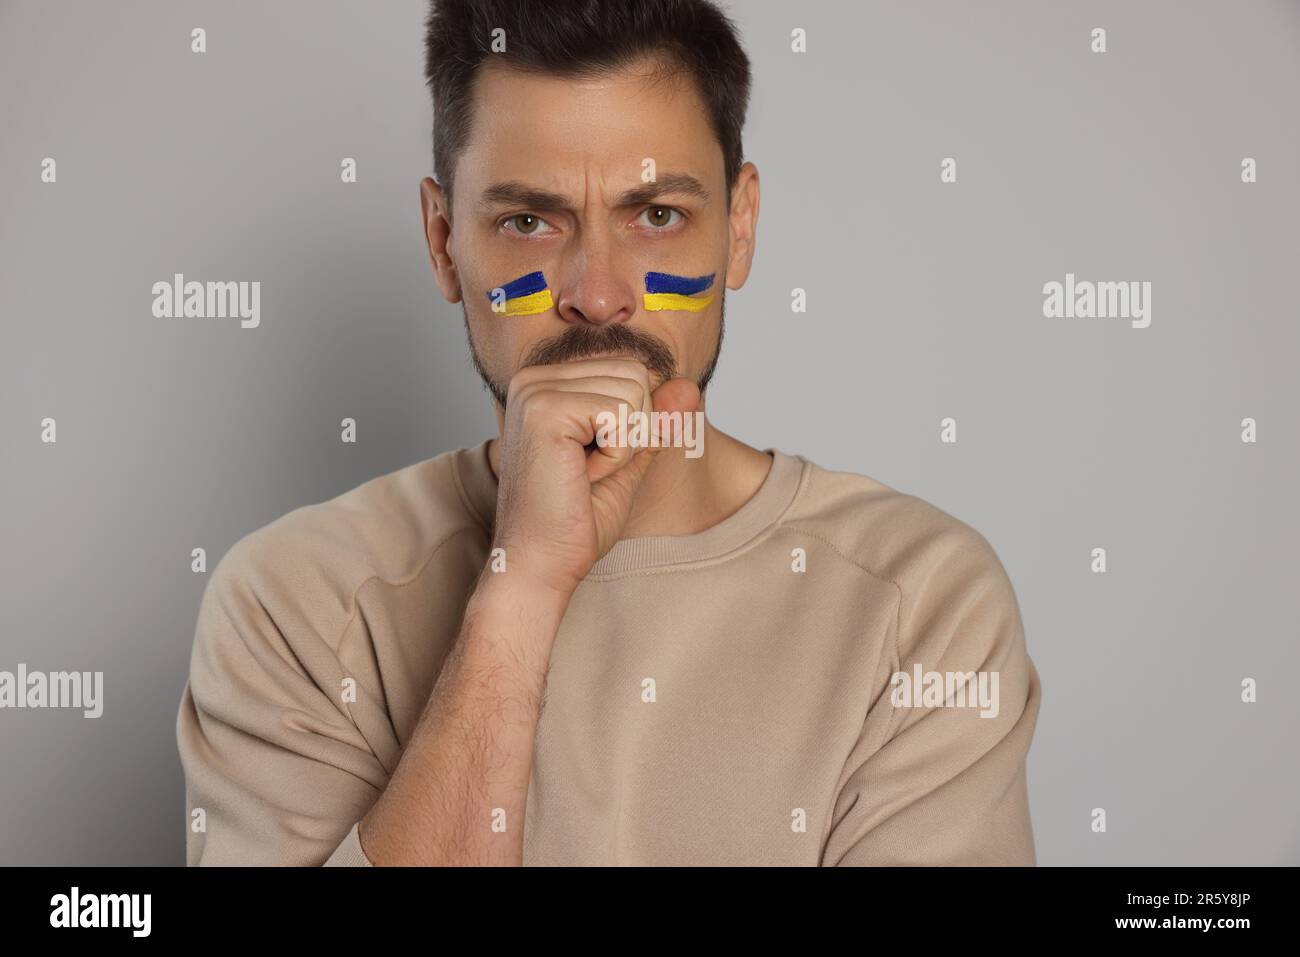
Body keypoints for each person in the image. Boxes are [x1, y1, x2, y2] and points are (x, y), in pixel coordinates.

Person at [176, 0, 1041, 866]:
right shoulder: (292, 605)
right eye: (528, 222)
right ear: (444, 243)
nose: (597, 293)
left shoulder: (923, 602)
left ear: (739, 227)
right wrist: (521, 589)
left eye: (656, 213)